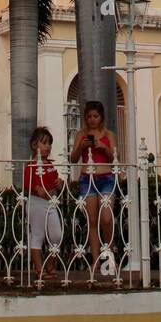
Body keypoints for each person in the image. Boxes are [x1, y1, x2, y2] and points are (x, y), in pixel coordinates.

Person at [70, 101, 117, 277]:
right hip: (86, 179)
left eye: (95, 116)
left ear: (101, 117)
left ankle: (109, 257)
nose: (92, 120)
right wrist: (81, 147)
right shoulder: (81, 135)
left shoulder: (108, 134)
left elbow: (114, 158)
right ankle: (96, 260)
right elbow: (73, 159)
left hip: (106, 178)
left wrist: (104, 148)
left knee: (106, 218)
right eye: (89, 116)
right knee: (92, 220)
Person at [23, 126, 62, 280]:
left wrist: (59, 183)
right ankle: (39, 269)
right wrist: (36, 188)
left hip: (51, 203)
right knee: (37, 235)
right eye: (44, 143)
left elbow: (55, 183)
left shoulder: (50, 165)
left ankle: (50, 264)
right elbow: (28, 184)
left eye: (49, 144)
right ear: (34, 145)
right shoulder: (31, 165)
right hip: (37, 203)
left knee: (56, 236)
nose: (47, 147)